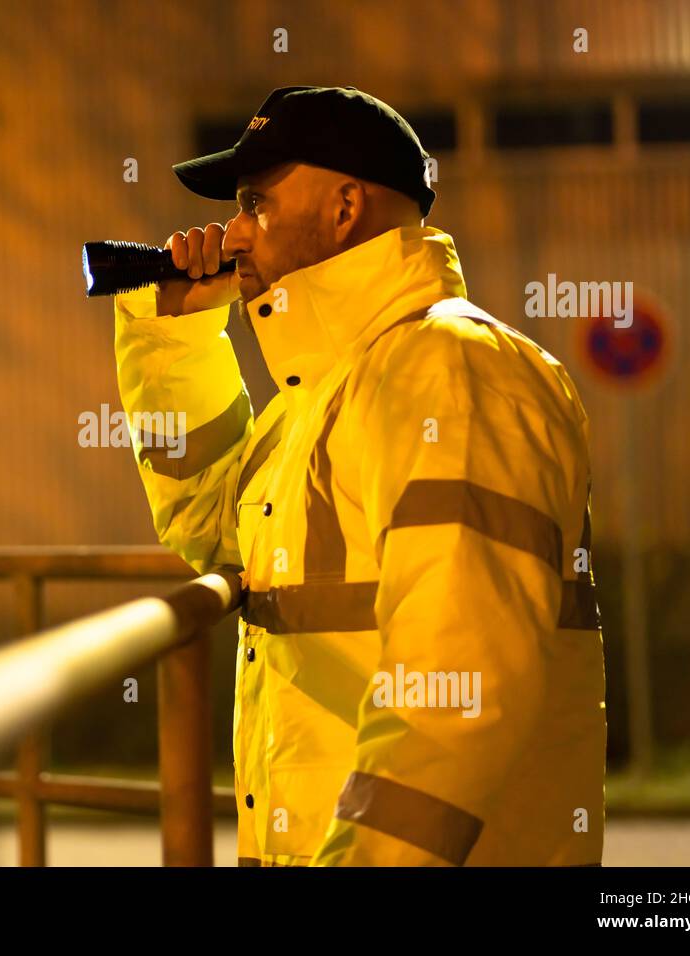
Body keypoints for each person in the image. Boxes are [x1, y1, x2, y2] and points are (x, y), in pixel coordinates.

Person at [112, 86, 606, 866]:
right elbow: (213, 531)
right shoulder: (325, 394)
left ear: (346, 208)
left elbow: (456, 687)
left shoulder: (452, 372)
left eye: (255, 203)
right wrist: (177, 340)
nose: (232, 234)